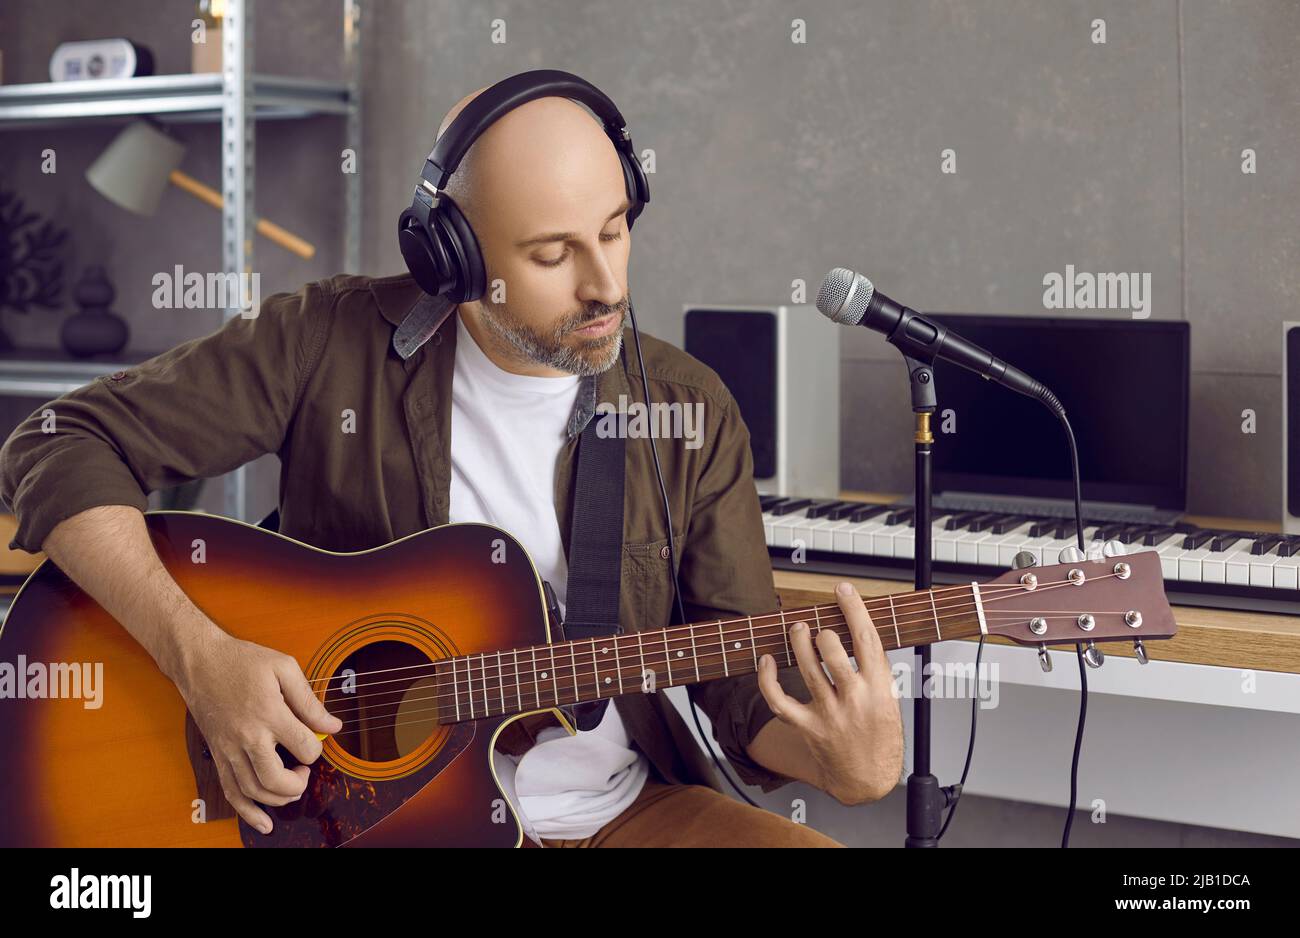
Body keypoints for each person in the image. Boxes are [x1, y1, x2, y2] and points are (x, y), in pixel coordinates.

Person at [0, 79, 903, 848]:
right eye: (552, 253)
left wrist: (833, 760)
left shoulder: (688, 407)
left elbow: (736, 682)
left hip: (621, 816)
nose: (608, 286)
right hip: (368, 821)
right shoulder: (322, 341)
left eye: (617, 230)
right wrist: (200, 658)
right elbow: (54, 445)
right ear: (454, 257)